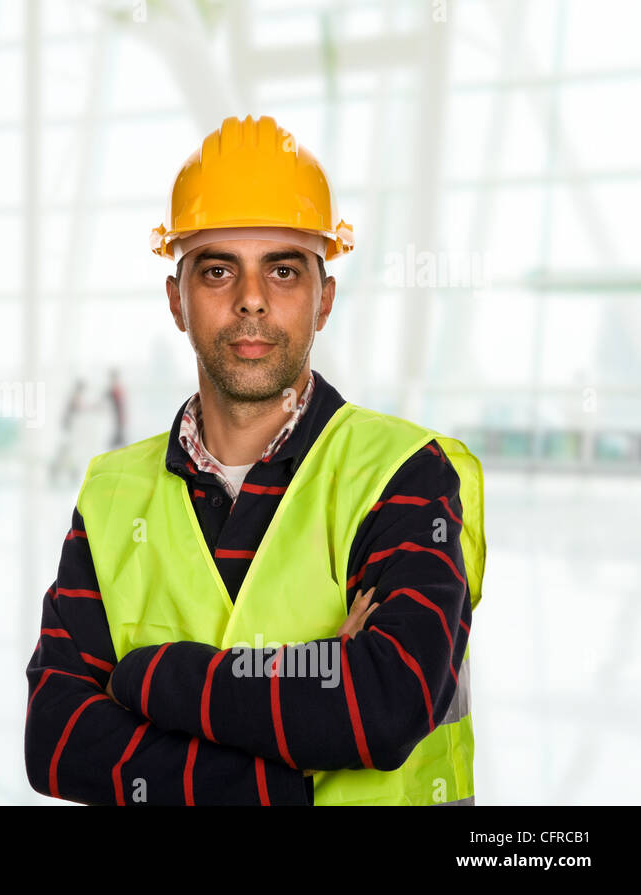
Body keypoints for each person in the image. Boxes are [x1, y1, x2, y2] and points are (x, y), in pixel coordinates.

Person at [24, 115, 484, 805]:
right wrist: (295, 727)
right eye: (217, 270)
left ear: (323, 299)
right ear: (177, 300)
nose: (251, 299)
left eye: (284, 269)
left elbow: (386, 705)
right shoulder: (111, 496)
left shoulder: (406, 474)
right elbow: (55, 743)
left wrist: (148, 677)